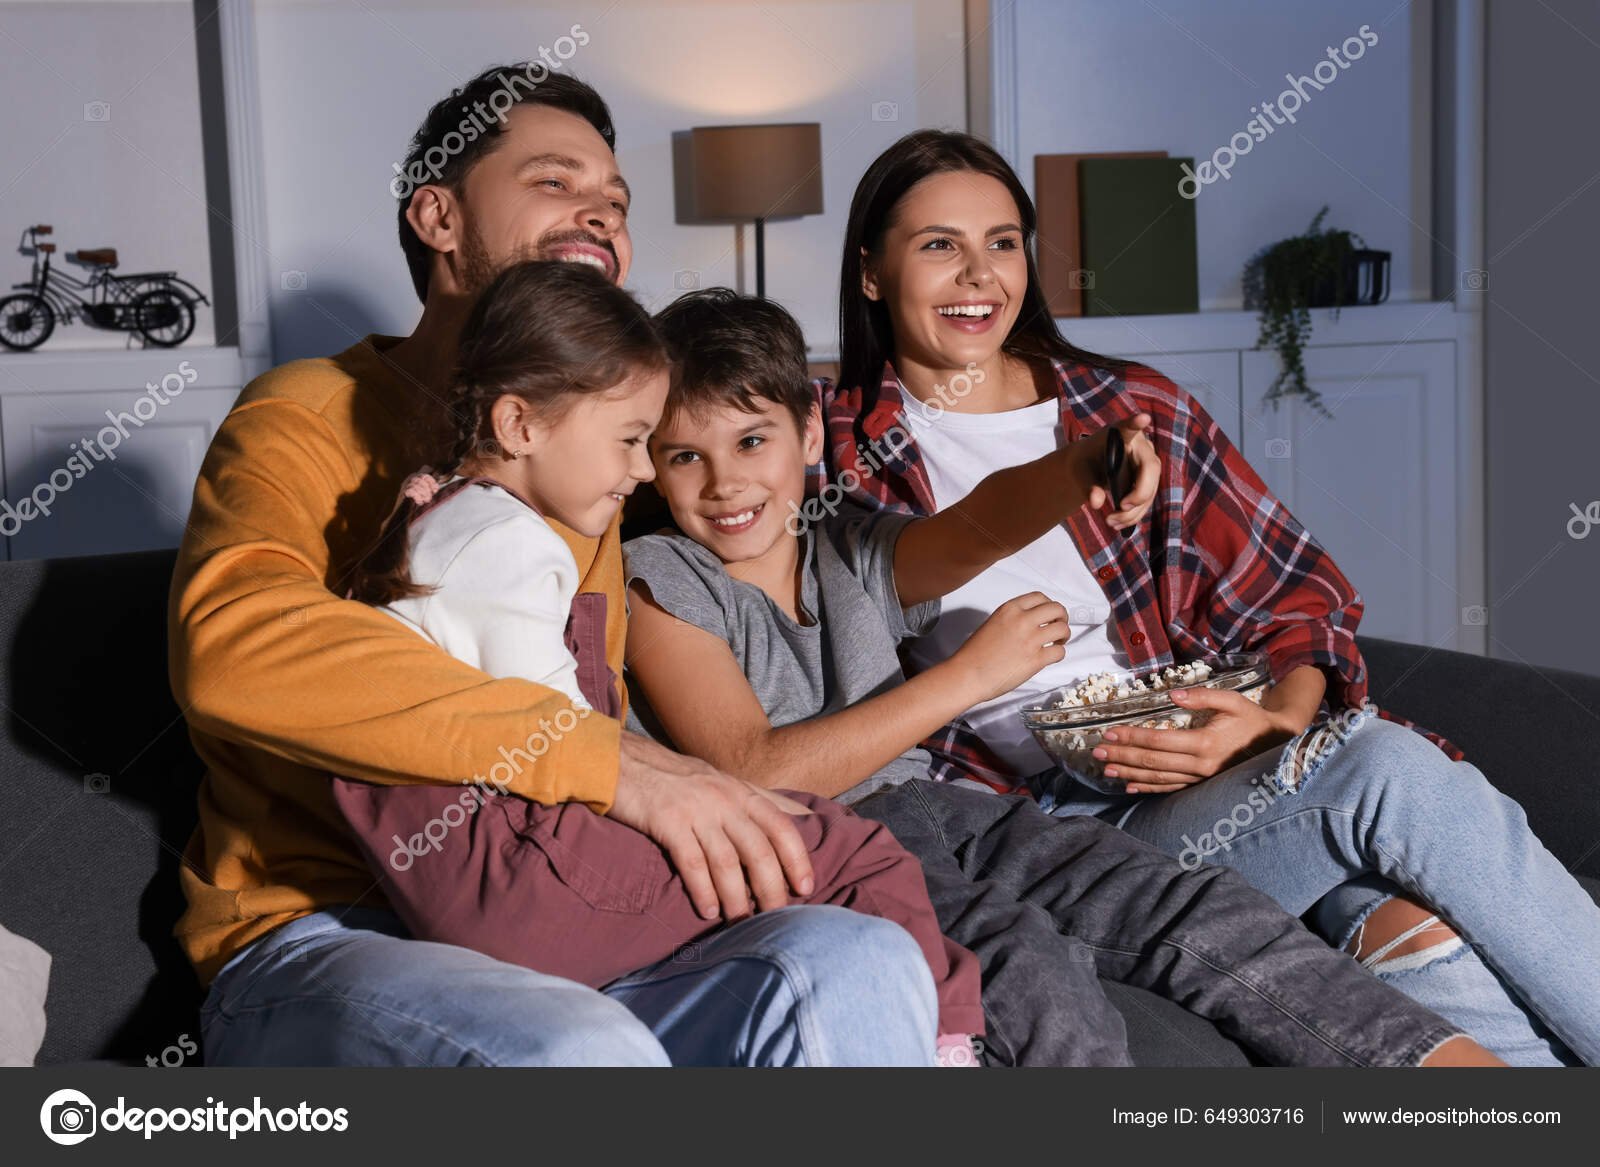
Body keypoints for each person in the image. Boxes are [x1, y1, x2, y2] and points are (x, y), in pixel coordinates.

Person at [168, 65, 939, 1068]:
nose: (601, 215)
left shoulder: (589, 455)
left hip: (551, 903)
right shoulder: (301, 412)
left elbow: (778, 512)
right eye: (554, 182)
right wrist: (608, 762)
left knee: (863, 961)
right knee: (578, 1046)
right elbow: (234, 652)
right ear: (439, 215)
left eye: (615, 203)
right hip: (326, 932)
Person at [816, 127, 1600, 1065]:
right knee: (1384, 770)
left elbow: (1299, 604)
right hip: (1041, 833)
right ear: (871, 272)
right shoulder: (828, 445)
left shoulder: (1133, 406)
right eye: (938, 244)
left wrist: (1266, 723)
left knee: (1397, 928)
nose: (978, 274)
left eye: (1003, 242)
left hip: (1210, 785)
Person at [620, 285, 1499, 1067]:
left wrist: (1089, 460)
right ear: (652, 463)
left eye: (750, 440)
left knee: (1200, 908)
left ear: (808, 433)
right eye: (685, 455)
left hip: (957, 812)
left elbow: (979, 524)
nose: (726, 480)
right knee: (1026, 967)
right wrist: (967, 677)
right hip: (820, 845)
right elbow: (751, 767)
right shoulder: (660, 577)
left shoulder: (845, 543)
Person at [328, 259, 982, 1060]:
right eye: (633, 442)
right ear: (521, 426)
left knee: (796, 848)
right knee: (851, 849)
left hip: (474, 872)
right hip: (517, 876)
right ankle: (950, 1044)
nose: (640, 471)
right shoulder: (505, 541)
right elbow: (564, 745)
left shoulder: (441, 517)